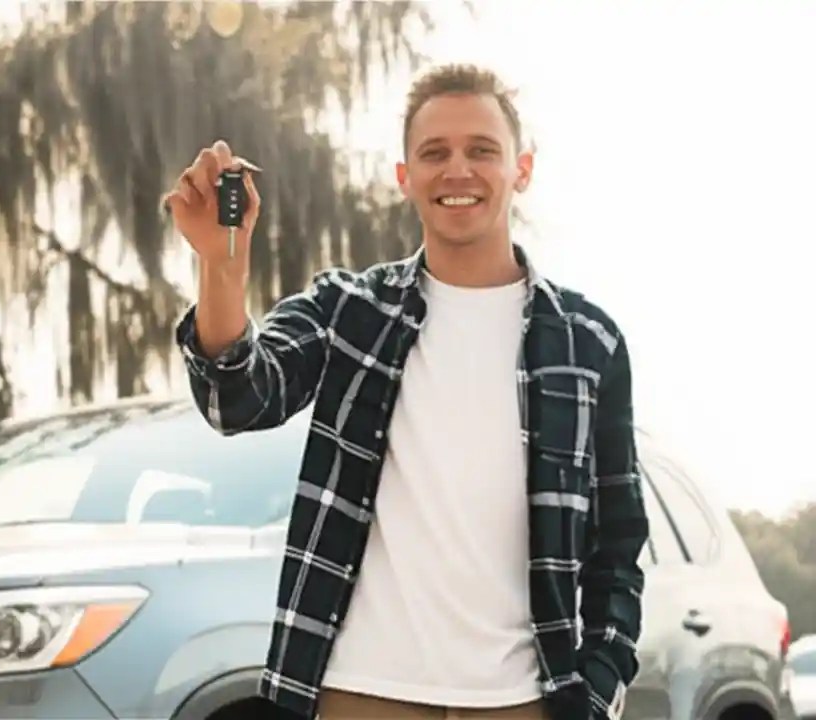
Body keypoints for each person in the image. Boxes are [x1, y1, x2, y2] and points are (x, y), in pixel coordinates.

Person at [165, 64, 649, 720]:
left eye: (482, 150)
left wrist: (597, 687)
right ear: (405, 177)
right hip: (358, 695)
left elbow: (618, 545)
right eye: (434, 153)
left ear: (521, 169)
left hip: (523, 704)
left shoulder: (589, 343)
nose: (458, 170)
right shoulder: (349, 309)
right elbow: (239, 400)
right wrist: (220, 270)